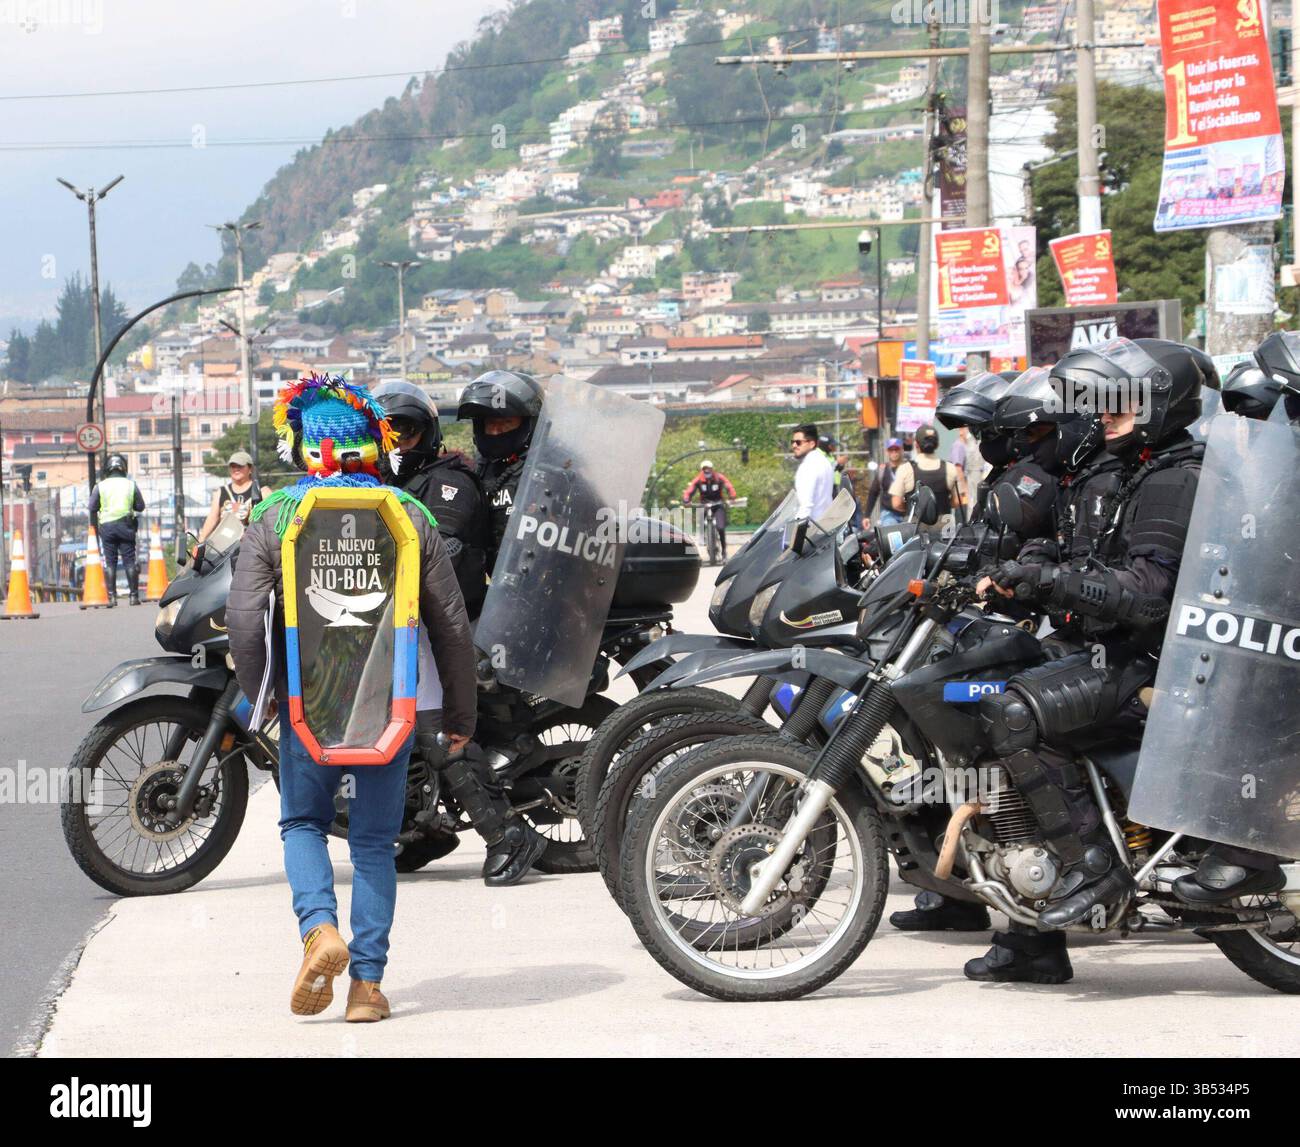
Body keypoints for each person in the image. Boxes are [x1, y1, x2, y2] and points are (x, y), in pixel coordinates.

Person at [226, 373, 477, 1022]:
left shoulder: (275, 514)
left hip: (309, 707)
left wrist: (263, 700)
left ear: (307, 447)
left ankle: (319, 929)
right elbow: (451, 625)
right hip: (386, 709)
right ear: (375, 446)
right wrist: (459, 715)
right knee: (372, 844)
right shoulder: (410, 515)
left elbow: (245, 619)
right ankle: (366, 985)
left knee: (303, 823)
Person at [965, 338, 1213, 984]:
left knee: (1014, 714)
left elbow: (1146, 592)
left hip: (1145, 663)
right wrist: (1028, 573)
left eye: (1120, 400)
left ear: (1160, 401)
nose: (1103, 413)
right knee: (979, 695)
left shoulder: (1172, 477)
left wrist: (1052, 581)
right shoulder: (1129, 467)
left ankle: (1096, 867)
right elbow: (1086, 559)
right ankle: (1030, 937)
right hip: (1103, 650)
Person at [378, 377, 547, 887]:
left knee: (430, 719)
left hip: (456, 617)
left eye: (405, 433)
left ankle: (507, 835)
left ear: (426, 434)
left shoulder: (449, 482)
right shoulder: (381, 484)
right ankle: (422, 826)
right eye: (388, 435)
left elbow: (444, 549)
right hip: (410, 619)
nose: (396, 444)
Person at [455, 369, 545, 571]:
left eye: (505, 423)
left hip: (548, 581)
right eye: (490, 424)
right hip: (498, 590)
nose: (495, 432)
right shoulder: (478, 472)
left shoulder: (557, 470)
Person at [88, 453, 145, 607]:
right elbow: (140, 506)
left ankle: (111, 597)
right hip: (126, 526)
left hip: (107, 527)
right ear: (123, 468)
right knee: (129, 561)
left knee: (110, 562)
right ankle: (133, 597)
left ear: (107, 469)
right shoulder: (130, 485)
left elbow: (92, 507)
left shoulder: (100, 486)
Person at [889, 423, 962, 527]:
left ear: (916, 445)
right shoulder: (950, 468)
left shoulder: (906, 469)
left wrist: (914, 508)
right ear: (937, 444)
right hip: (944, 528)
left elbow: (896, 503)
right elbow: (957, 501)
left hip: (915, 528)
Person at [198, 450, 271, 542]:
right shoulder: (221, 492)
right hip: (224, 546)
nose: (236, 469)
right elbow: (212, 518)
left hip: (252, 545)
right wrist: (200, 541)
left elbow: (271, 520)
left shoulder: (262, 492)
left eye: (240, 466)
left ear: (250, 469)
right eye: (233, 466)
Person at [682, 460, 737, 564]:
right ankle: (703, 538)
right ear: (702, 470)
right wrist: (686, 499)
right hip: (704, 504)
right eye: (704, 469)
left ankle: (724, 552)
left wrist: (732, 495)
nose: (707, 471)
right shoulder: (698, 479)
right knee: (700, 519)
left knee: (721, 527)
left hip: (718, 503)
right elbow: (689, 490)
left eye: (709, 468)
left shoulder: (719, 477)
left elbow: (729, 486)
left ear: (712, 469)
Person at [790, 423, 834, 521]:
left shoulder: (807, 467)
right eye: (792, 442)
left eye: (798, 442)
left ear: (812, 444)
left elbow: (805, 506)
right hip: (825, 526)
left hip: (811, 529)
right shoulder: (824, 462)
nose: (794, 445)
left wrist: (796, 533)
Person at [861, 437, 906, 526]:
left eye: (896, 449)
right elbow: (873, 493)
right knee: (890, 530)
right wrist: (867, 516)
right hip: (889, 514)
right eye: (891, 450)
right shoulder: (882, 470)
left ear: (902, 450)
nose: (894, 452)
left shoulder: (909, 469)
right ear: (887, 452)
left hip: (908, 514)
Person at [948, 425, 985, 510]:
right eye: (966, 429)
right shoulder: (959, 445)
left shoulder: (966, 444)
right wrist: (964, 488)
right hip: (960, 484)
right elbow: (958, 468)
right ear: (961, 431)